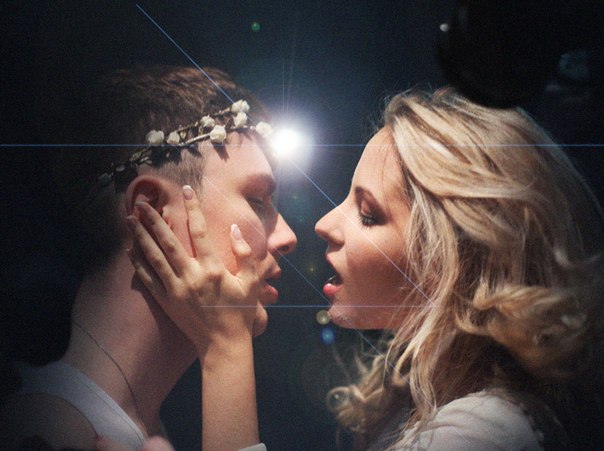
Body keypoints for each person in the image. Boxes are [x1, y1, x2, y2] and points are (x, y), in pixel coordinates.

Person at [127, 87, 604, 450]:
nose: (323, 224)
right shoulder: (415, 406)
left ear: (456, 255)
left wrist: (224, 348)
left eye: (368, 214)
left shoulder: (484, 434)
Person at [0, 65, 297, 450]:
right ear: (152, 210)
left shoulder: (135, 431)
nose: (288, 237)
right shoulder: (47, 434)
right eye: (256, 201)